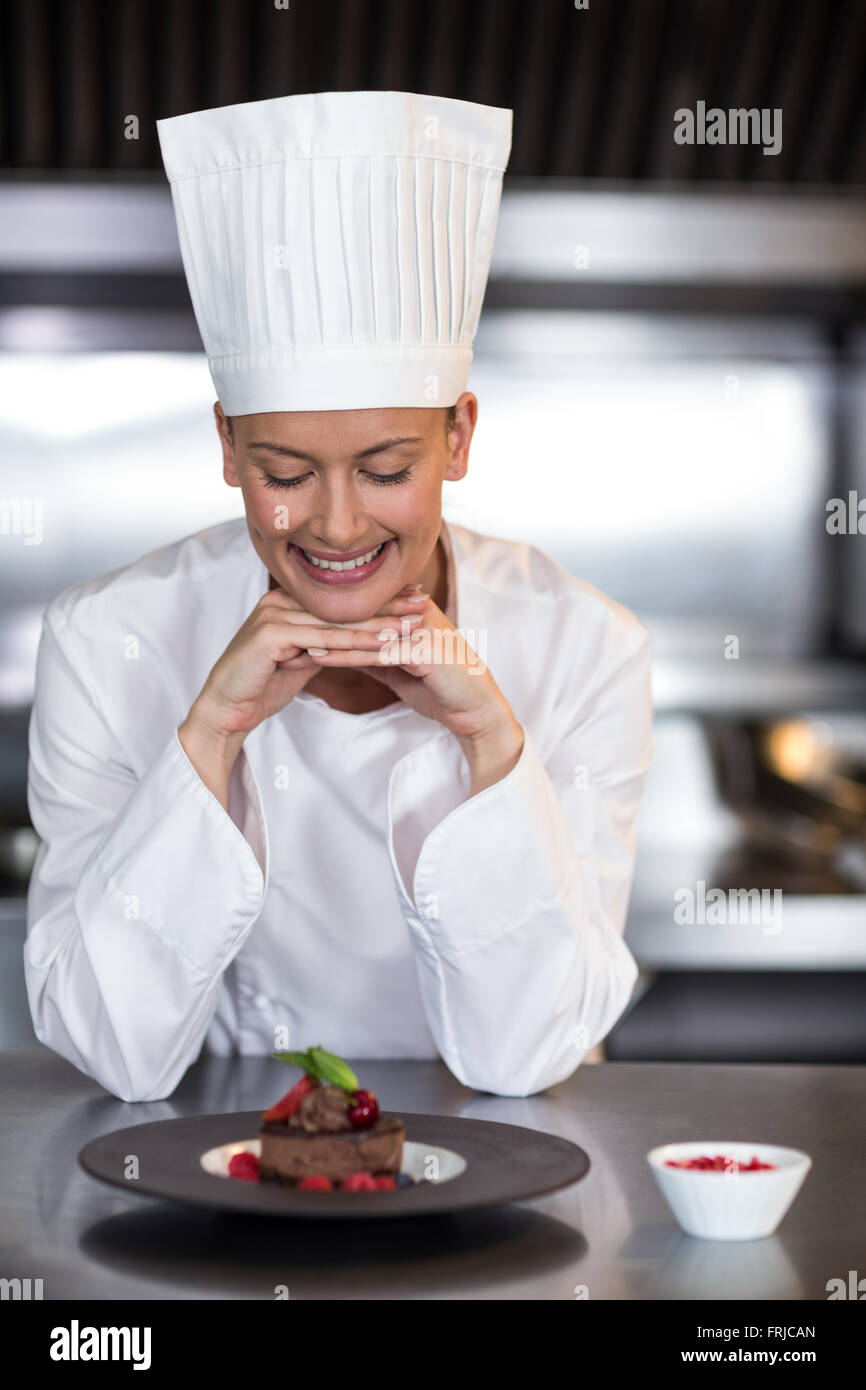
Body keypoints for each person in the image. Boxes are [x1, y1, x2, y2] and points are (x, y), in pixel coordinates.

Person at [24, 91, 653, 1103]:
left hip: (511, 1193)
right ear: (226, 447)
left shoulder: (584, 647)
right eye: (283, 470)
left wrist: (491, 743)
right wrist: (211, 735)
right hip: (222, 1160)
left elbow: (522, 1058)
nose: (337, 524)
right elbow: (113, 1048)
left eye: (384, 466)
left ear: (458, 435)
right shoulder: (110, 640)